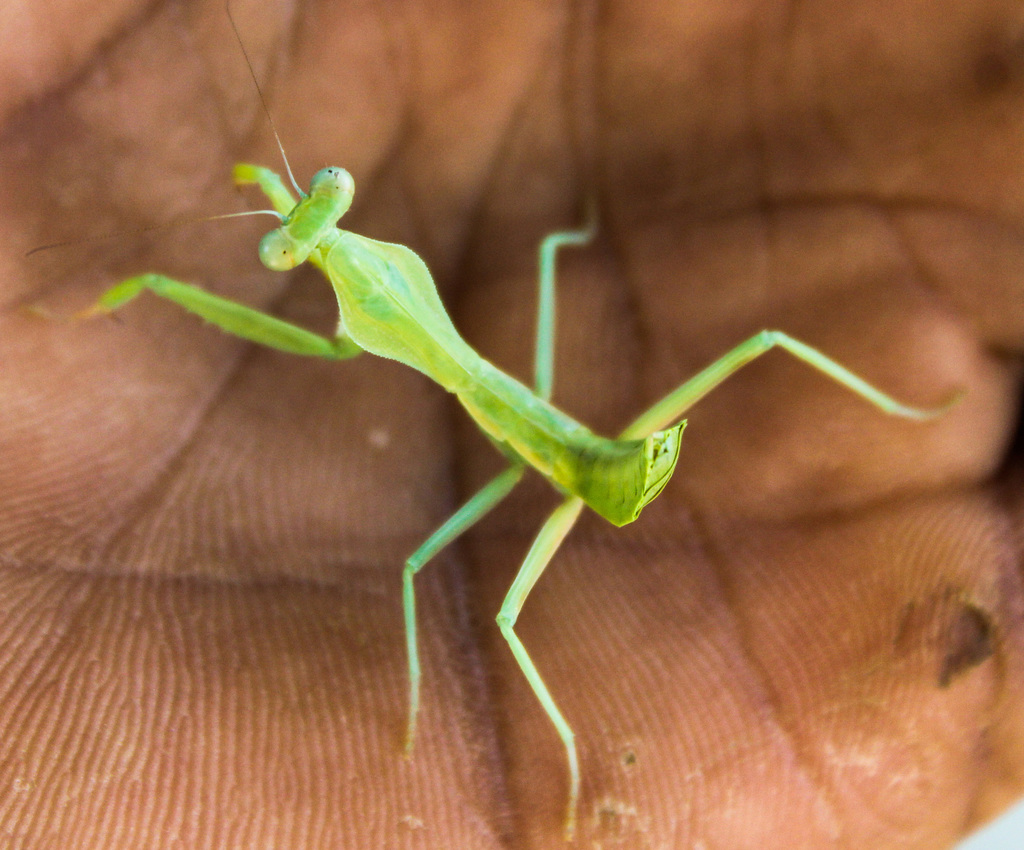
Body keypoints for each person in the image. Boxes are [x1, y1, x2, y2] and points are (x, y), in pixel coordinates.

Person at [0, 0, 1020, 845]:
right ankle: (568, 751)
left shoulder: (359, 302)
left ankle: (564, 749)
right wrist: (288, 203)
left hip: (594, 478)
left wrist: (290, 228)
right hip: (603, 455)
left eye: (322, 201)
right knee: (744, 342)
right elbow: (335, 243)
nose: (316, 212)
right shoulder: (383, 270)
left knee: (465, 592)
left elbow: (335, 276)